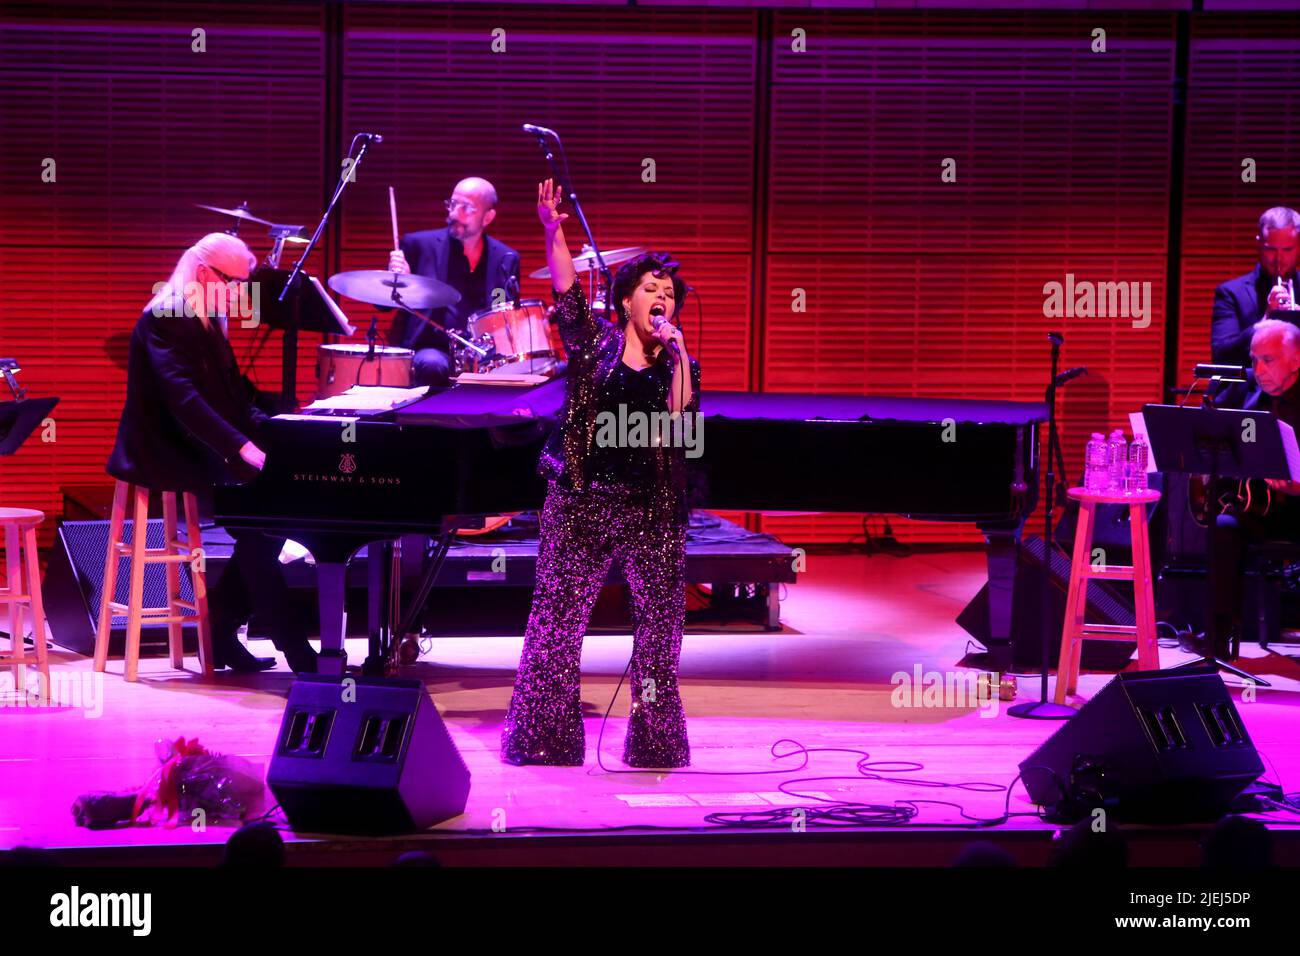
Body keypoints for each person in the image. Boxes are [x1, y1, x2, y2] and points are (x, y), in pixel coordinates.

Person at [500, 179, 700, 768]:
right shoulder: (594, 343)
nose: (661, 296)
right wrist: (551, 228)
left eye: (668, 292)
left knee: (660, 636)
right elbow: (564, 290)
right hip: (582, 500)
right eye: (650, 288)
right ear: (626, 300)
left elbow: (683, 424)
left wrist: (682, 354)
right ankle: (545, 740)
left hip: (652, 509)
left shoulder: (678, 362)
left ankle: (655, 742)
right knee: (557, 627)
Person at [107, 233, 317, 673]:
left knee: (267, 522)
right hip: (169, 450)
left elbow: (230, 393)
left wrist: (287, 421)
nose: (241, 293)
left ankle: (222, 628)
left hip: (199, 443)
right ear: (204, 273)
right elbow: (183, 401)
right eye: (235, 281)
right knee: (262, 525)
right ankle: (295, 650)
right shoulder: (167, 315)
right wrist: (240, 447)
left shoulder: (203, 315)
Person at [1209, 319, 1300, 651]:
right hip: (1260, 508)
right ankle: (1218, 639)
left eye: (1268, 359)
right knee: (1222, 527)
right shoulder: (1246, 394)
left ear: (1296, 359)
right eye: (1254, 359)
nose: (1258, 369)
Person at [387, 177, 521, 386]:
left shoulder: (505, 257)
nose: (453, 214)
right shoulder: (419, 245)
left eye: (466, 207)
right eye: (452, 204)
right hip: (432, 348)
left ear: (488, 217)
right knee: (433, 365)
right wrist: (397, 280)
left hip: (485, 352)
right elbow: (382, 303)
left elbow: (507, 314)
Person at [1211, 206, 1300, 366]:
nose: (1279, 259)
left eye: (1287, 249)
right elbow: (1221, 355)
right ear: (1259, 244)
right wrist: (1264, 323)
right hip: (1251, 389)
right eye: (1271, 249)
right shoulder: (1230, 293)